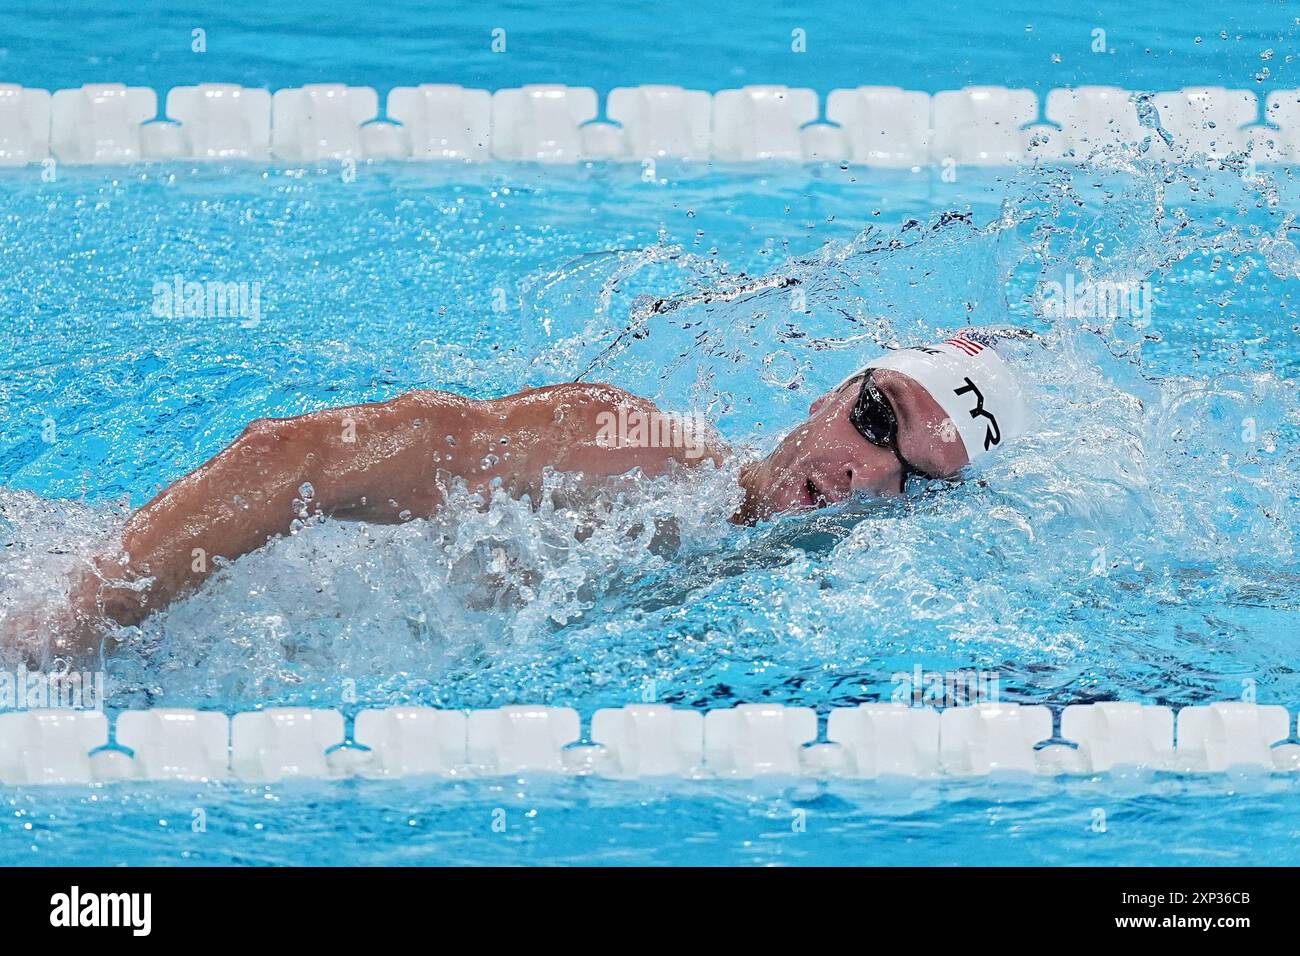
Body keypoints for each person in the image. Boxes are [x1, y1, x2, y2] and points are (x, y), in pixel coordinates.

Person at [11, 334, 1028, 658]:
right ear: (827, 390)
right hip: (113, 602)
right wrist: (70, 621)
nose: (865, 471)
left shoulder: (824, 622)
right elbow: (298, 453)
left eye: (913, 482)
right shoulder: (631, 452)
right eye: (878, 419)